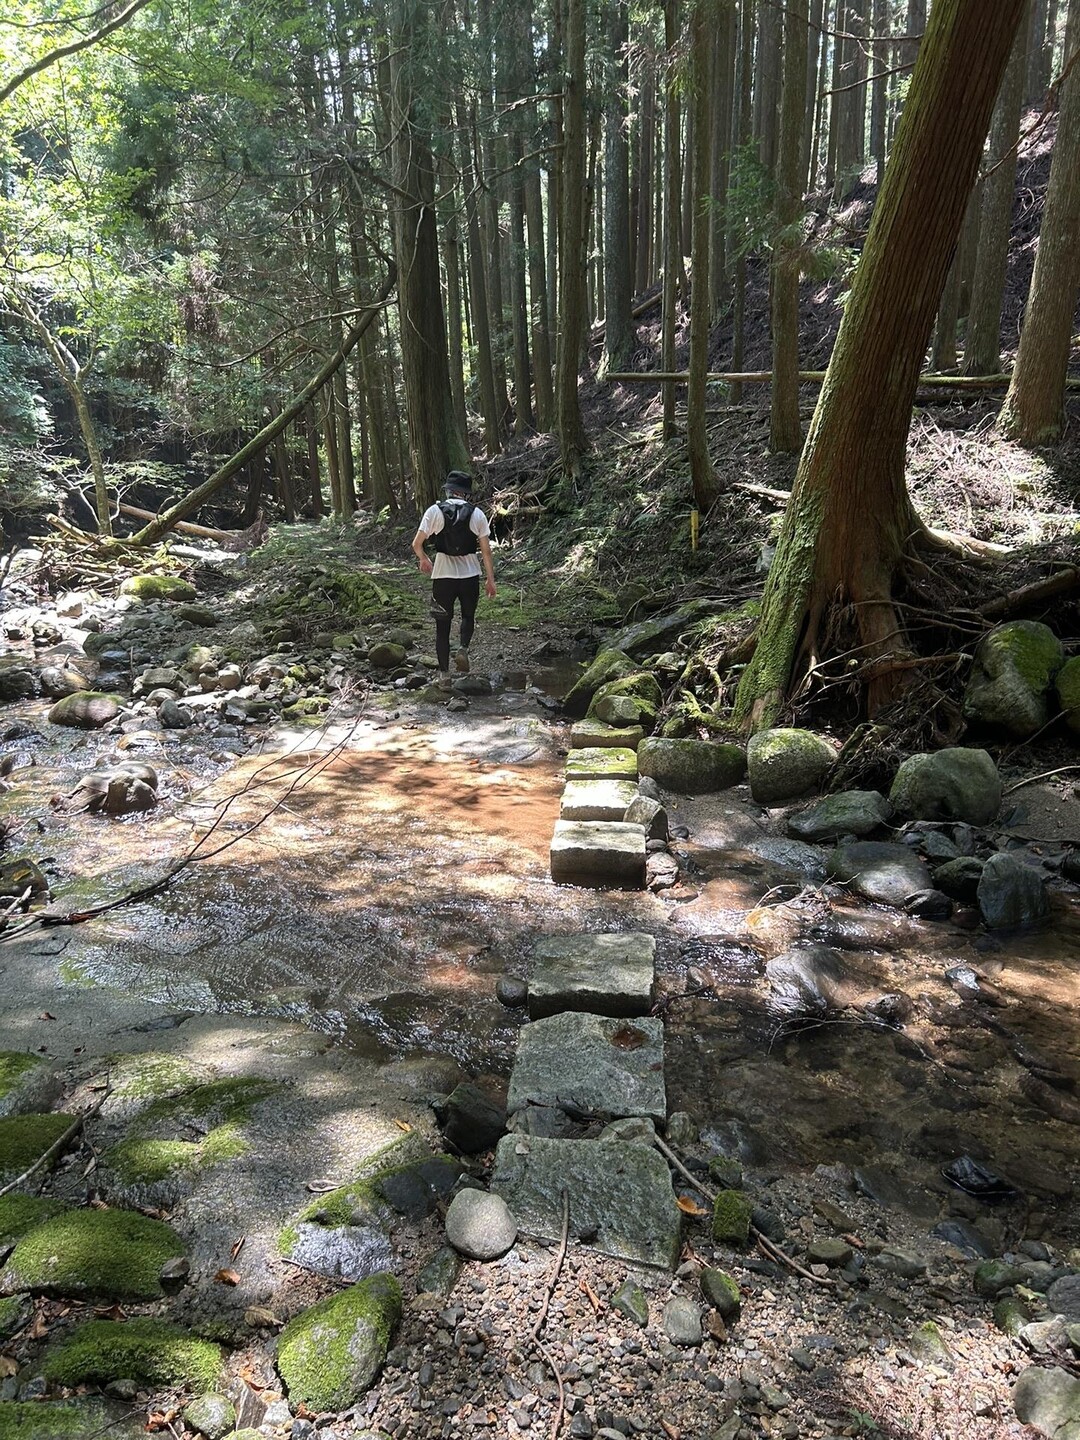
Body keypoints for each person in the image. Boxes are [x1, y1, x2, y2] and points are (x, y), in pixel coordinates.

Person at [412, 470, 497, 689]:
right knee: (468, 616)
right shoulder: (477, 514)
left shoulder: (434, 511)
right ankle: (463, 649)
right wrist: (490, 579)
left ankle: (444, 676)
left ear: (449, 490)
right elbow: (486, 551)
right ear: (466, 493)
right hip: (470, 576)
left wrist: (424, 559)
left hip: (443, 577)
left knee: (442, 627)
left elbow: (416, 543)